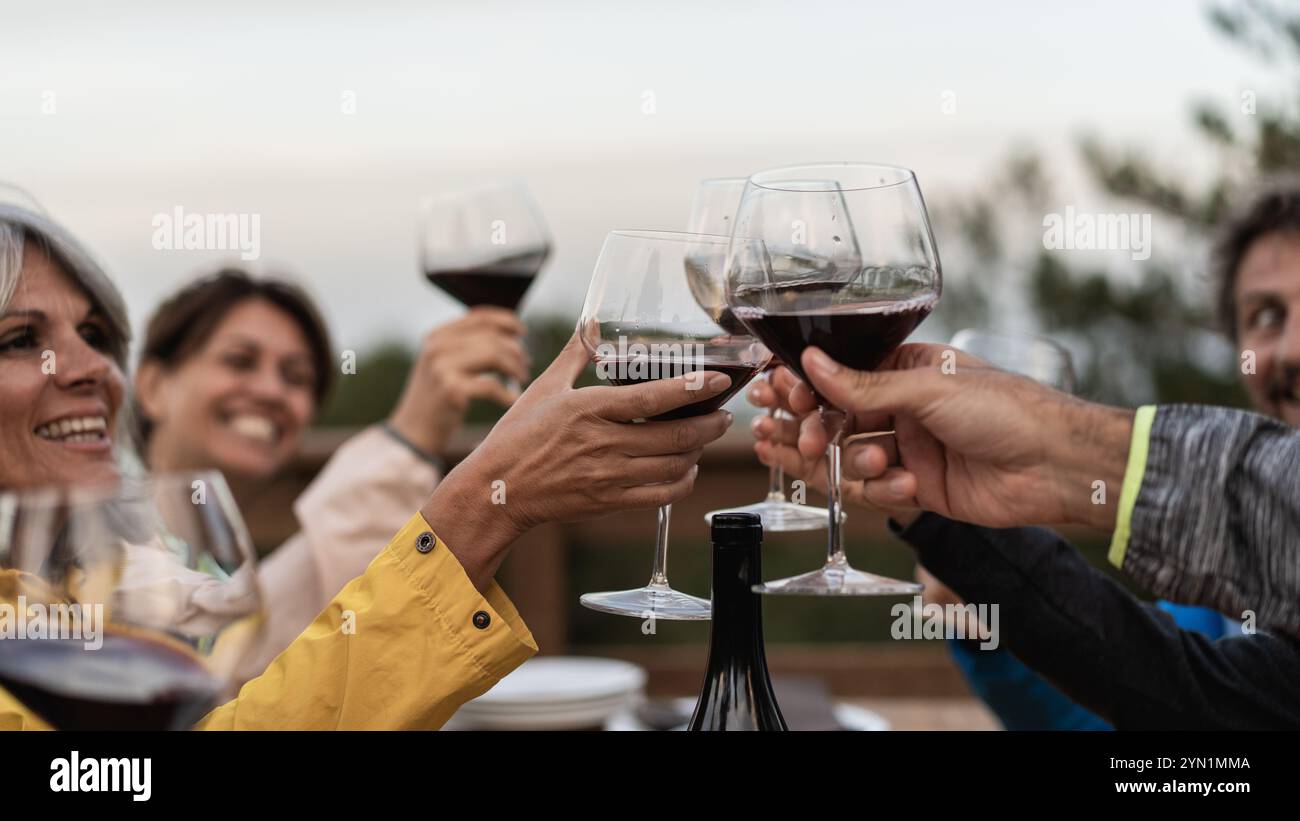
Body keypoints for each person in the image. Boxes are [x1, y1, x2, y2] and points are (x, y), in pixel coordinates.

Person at [0, 204, 735, 729]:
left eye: (97, 333)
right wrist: (469, 485)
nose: (93, 365)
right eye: (16, 339)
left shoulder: (92, 574)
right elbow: (279, 663)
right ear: (157, 383)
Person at [746, 182, 1300, 729]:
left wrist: (1066, 447)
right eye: (1267, 316)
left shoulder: (1224, 573)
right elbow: (1177, 707)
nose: (1294, 346)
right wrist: (950, 530)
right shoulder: (1215, 603)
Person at [132, 269, 530, 682]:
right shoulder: (107, 543)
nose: (271, 390)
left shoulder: (215, 557)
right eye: (239, 361)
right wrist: (409, 440)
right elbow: (225, 678)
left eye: (296, 377)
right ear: (153, 386)